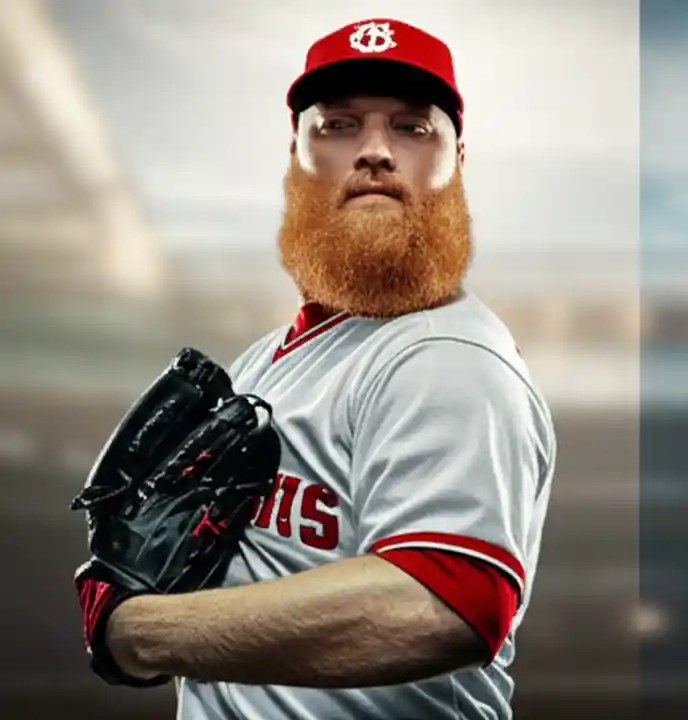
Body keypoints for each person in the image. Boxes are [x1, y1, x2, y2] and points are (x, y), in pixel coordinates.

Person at [95, 18, 556, 720]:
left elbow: (444, 602)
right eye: (338, 125)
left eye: (411, 128)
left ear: (458, 158)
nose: (374, 151)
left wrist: (136, 630)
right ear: (296, 155)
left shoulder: (445, 355)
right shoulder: (265, 362)